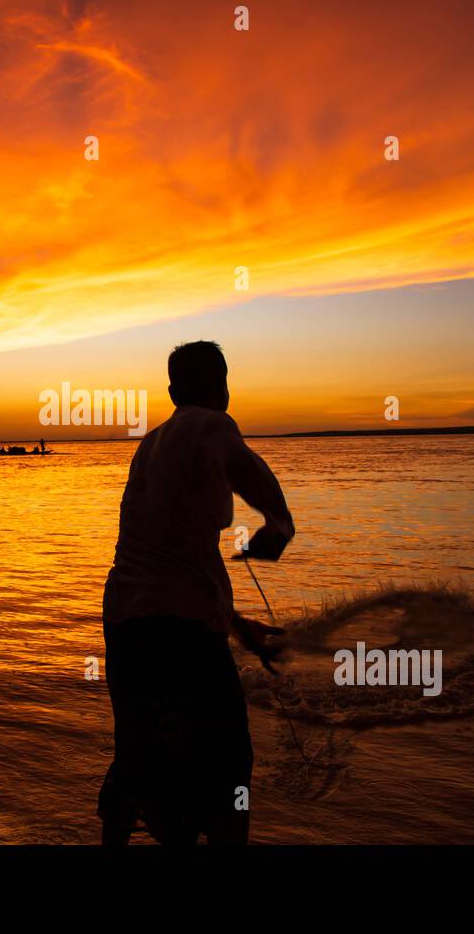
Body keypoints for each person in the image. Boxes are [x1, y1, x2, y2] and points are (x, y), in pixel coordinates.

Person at [98, 340, 294, 845]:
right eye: (221, 378)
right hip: (178, 632)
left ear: (171, 390)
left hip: (125, 624)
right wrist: (278, 524)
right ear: (218, 386)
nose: (223, 390)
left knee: (142, 752)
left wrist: (234, 623)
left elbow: (171, 563)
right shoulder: (210, 423)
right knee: (229, 760)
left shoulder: (151, 446)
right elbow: (253, 474)